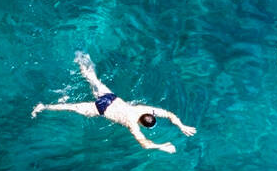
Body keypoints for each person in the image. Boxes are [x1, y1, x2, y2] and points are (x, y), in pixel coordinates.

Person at [32, 52, 196, 154]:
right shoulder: (132, 124)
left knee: (92, 78)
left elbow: (169, 114)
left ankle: (80, 56)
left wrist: (181, 125)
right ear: (144, 123)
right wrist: (162, 146)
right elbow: (144, 144)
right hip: (100, 109)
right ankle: (43, 107)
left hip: (110, 98)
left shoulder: (142, 109)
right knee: (70, 107)